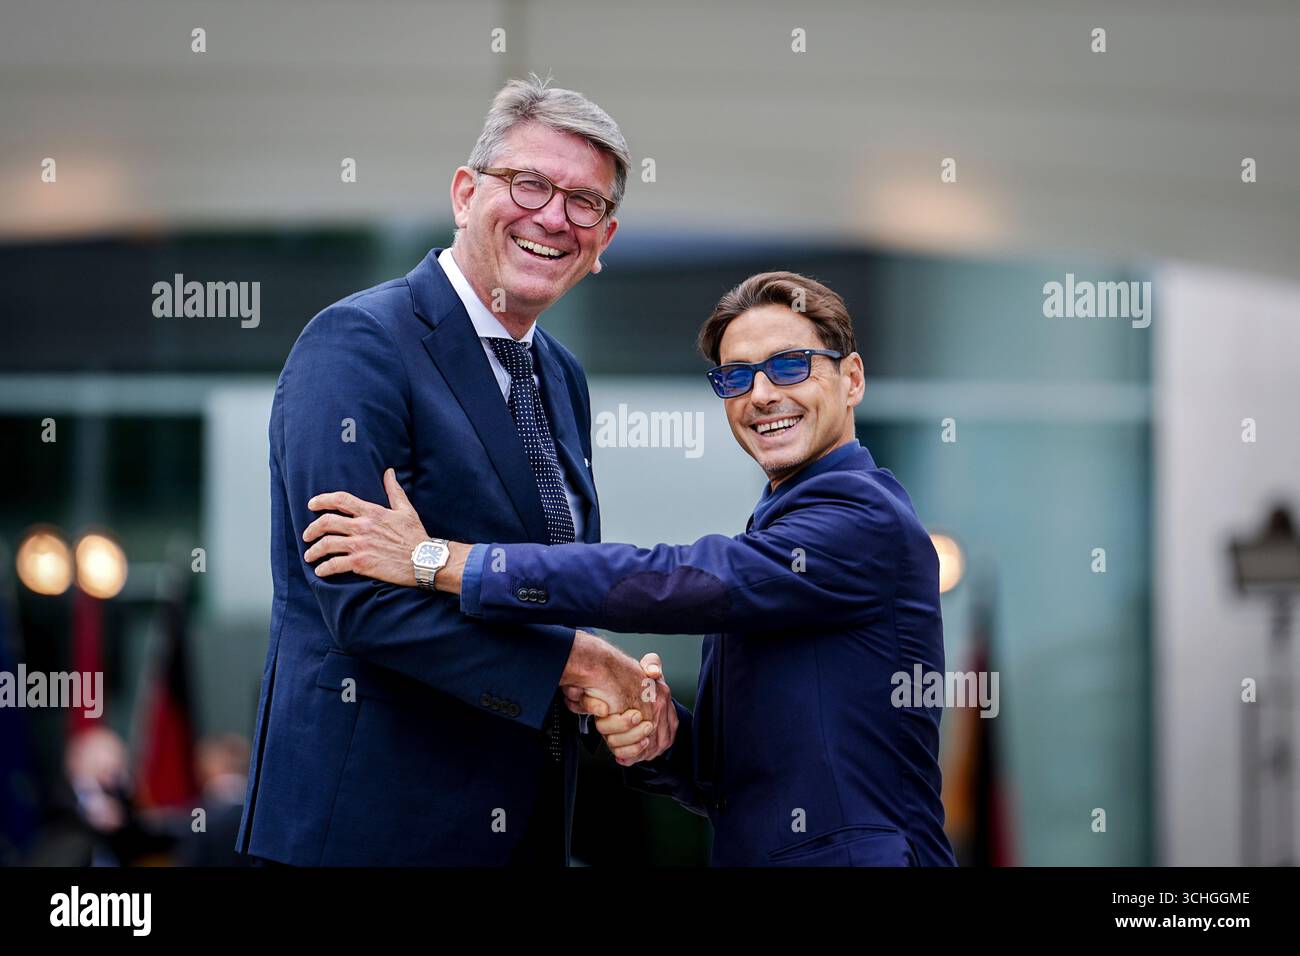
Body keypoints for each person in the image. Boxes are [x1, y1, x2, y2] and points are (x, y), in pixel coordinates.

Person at [304, 271, 958, 866]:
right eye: (735, 377)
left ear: (852, 380)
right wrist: (661, 740)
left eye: (790, 367)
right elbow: (737, 780)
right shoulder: (787, 524)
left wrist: (437, 560)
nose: (761, 394)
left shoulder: (862, 517)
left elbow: (679, 580)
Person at [237, 74, 670, 867]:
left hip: (521, 828)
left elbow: (545, 584)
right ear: (466, 193)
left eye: (585, 203)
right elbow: (359, 602)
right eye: (530, 183)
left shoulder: (561, 376)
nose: (553, 217)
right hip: (369, 834)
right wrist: (576, 662)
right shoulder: (358, 343)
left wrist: (592, 662)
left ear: (604, 243)